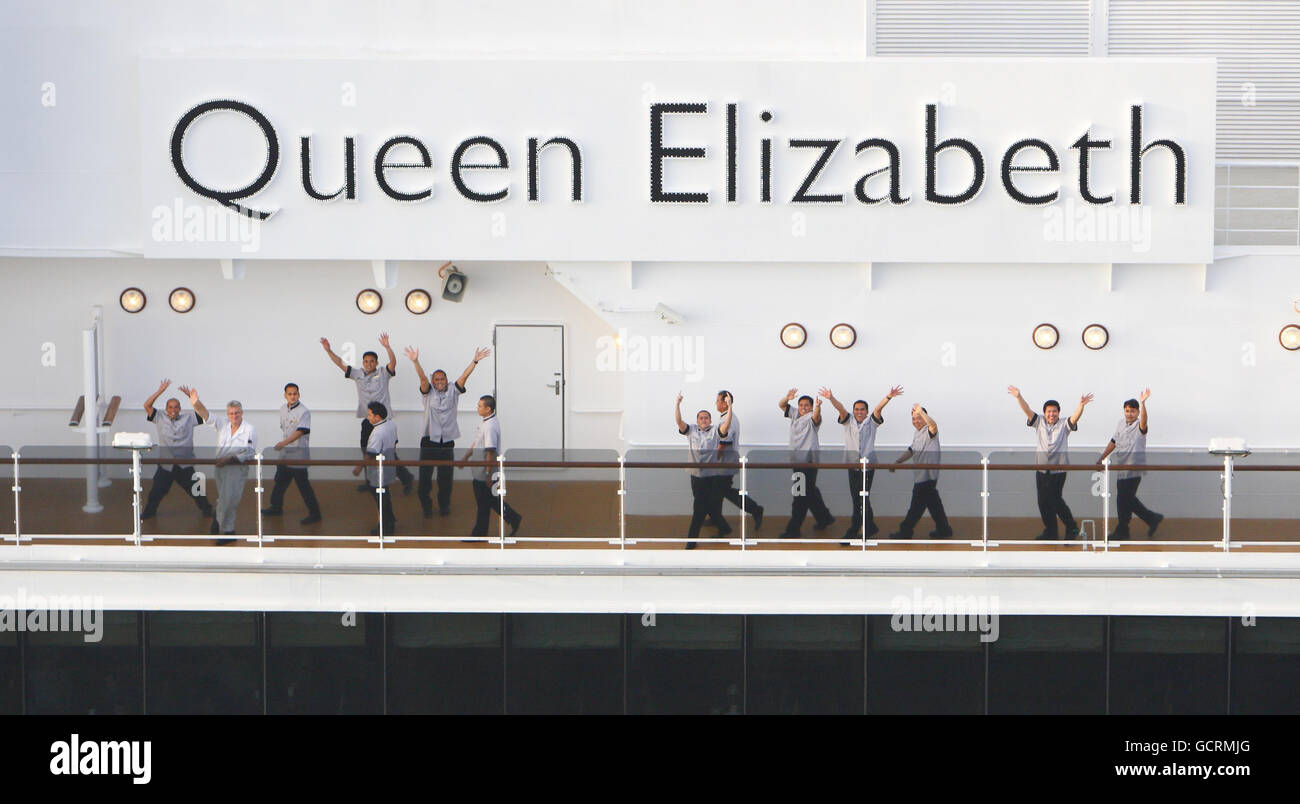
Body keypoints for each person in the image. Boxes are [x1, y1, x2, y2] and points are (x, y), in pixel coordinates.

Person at [321, 333, 414, 495]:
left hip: (384, 423)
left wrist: (387, 347)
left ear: (376, 363)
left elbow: (393, 362)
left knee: (388, 454)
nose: (369, 364)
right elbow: (340, 363)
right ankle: (369, 481)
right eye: (366, 361)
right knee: (367, 451)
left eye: (372, 361)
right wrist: (329, 351)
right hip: (367, 420)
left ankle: (407, 479)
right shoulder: (357, 374)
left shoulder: (384, 373)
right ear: (363, 363)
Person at [405, 345, 491, 518]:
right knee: (425, 479)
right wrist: (415, 361)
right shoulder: (428, 392)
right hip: (429, 441)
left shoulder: (453, 390)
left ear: (446, 380)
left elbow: (464, 376)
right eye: (436, 380)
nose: (439, 382)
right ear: (433, 381)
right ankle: (426, 506)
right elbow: (422, 378)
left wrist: (475, 361)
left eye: (442, 379)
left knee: (445, 478)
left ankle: (444, 505)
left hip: (447, 442)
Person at [1009, 386, 1094, 540]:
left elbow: (1074, 418)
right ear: (1045, 413)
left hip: (1058, 470)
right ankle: (1051, 531)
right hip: (1041, 469)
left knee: (1055, 499)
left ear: (1058, 413)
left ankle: (1072, 527)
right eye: (1049, 411)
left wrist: (1081, 406)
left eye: (1054, 411)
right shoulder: (1039, 422)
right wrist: (1019, 397)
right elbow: (1027, 410)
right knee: (1043, 501)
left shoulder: (1064, 425)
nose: (1051, 414)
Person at [822, 385, 903, 542]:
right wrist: (831, 398)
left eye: (862, 409)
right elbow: (841, 409)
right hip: (852, 465)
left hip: (868, 466)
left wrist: (889, 397)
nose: (859, 412)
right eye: (857, 409)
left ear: (866, 411)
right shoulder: (848, 421)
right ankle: (870, 526)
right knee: (858, 498)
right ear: (854, 411)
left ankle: (854, 529)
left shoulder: (871, 422)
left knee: (862, 498)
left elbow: (878, 410)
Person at [140, 379, 213, 520]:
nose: (173, 410)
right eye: (170, 407)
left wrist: (192, 399)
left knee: (196, 491)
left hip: (184, 464)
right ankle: (149, 512)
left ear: (179, 409)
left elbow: (205, 414)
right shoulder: (159, 417)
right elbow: (147, 405)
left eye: (176, 407)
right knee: (156, 492)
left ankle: (207, 510)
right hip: (166, 466)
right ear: (166, 409)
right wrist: (160, 391)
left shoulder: (189, 418)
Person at [1098, 389, 1164, 540]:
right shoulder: (1121, 423)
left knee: (1125, 498)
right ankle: (1144, 521)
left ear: (1137, 412)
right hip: (1121, 467)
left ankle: (1133, 525)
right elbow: (1114, 441)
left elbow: (1144, 421)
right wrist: (1102, 457)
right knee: (1123, 499)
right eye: (1127, 411)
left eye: (1133, 411)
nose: (1129, 414)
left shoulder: (1140, 426)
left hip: (1134, 468)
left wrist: (1143, 403)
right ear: (1124, 411)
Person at [677, 391, 734, 549]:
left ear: (710, 420)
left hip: (712, 477)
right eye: (701, 417)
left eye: (706, 417)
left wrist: (729, 406)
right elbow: (679, 421)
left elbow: (727, 424)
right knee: (706, 507)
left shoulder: (716, 430)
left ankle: (691, 541)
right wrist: (677, 404)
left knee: (701, 509)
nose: (703, 419)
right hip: (696, 477)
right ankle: (724, 528)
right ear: (697, 420)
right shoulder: (691, 430)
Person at [888, 404, 954, 540]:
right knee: (933, 504)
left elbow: (933, 425)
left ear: (925, 418)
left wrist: (921, 412)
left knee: (916, 507)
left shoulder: (930, 431)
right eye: (913, 419)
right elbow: (911, 450)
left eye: (919, 418)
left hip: (928, 476)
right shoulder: (917, 433)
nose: (916, 421)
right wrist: (898, 462)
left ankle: (905, 531)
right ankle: (944, 529)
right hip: (921, 475)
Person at [261, 382, 322, 525]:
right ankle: (276, 507)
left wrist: (283, 443)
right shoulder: (283, 409)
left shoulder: (304, 411)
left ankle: (315, 513)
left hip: (299, 453)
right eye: (290, 394)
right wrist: (284, 446)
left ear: (299, 394)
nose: (292, 396)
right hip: (285, 453)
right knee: (279, 481)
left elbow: (300, 431)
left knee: (303, 485)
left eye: (295, 393)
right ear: (285, 395)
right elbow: (284, 428)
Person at [778, 388, 834, 538]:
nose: (803, 408)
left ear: (810, 407)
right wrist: (787, 397)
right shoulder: (795, 414)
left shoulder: (811, 417)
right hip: (797, 462)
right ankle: (825, 517)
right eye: (801, 405)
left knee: (800, 495)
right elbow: (782, 405)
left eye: (807, 405)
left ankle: (793, 529)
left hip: (808, 463)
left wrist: (818, 406)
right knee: (810, 492)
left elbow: (816, 417)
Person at [465, 395, 522, 540]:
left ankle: (479, 533)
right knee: (490, 500)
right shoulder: (486, 422)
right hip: (482, 470)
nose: (477, 408)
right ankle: (513, 517)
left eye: (479, 406)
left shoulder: (490, 426)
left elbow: (490, 451)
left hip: (484, 472)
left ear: (488, 409)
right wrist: (466, 457)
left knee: (483, 502)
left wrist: (487, 473)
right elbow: (477, 442)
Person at [709, 390, 764, 530]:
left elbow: (723, 443)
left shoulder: (728, 419)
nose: (716, 403)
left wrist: (713, 460)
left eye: (718, 401)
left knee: (724, 491)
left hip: (725, 463)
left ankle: (755, 509)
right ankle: (715, 517)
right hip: (726, 462)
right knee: (717, 491)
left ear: (724, 403)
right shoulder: (727, 417)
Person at [209, 399, 257, 544]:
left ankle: (228, 531)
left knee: (230, 500)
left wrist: (229, 459)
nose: (234, 416)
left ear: (241, 413)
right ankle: (218, 517)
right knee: (224, 497)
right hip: (220, 468)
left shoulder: (249, 429)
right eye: (231, 413)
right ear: (227, 414)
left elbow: (250, 452)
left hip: (236, 468)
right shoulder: (223, 424)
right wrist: (194, 401)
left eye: (237, 413)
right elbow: (205, 414)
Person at [355, 401, 398, 536]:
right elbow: (395, 442)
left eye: (370, 415)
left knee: (381, 499)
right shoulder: (391, 424)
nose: (368, 418)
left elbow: (371, 454)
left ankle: (386, 526)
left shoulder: (377, 433)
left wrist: (359, 468)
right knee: (385, 496)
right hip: (389, 466)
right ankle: (390, 519)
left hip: (378, 471)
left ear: (377, 417)